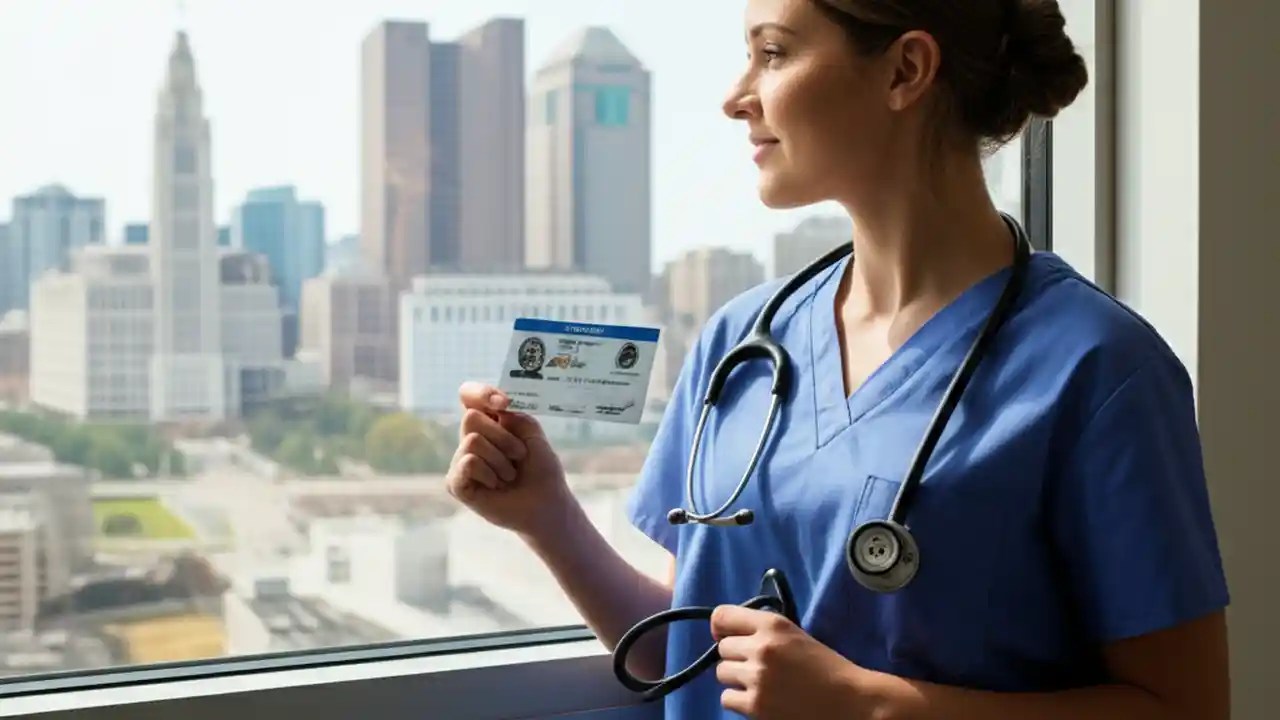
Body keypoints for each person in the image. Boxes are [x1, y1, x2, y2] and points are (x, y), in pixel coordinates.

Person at [445, 0, 1232, 717]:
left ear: (904, 71)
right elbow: (685, 660)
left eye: (774, 53)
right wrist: (544, 515)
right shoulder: (740, 342)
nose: (735, 96)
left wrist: (870, 706)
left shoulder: (1099, 371)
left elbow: (1184, 708)